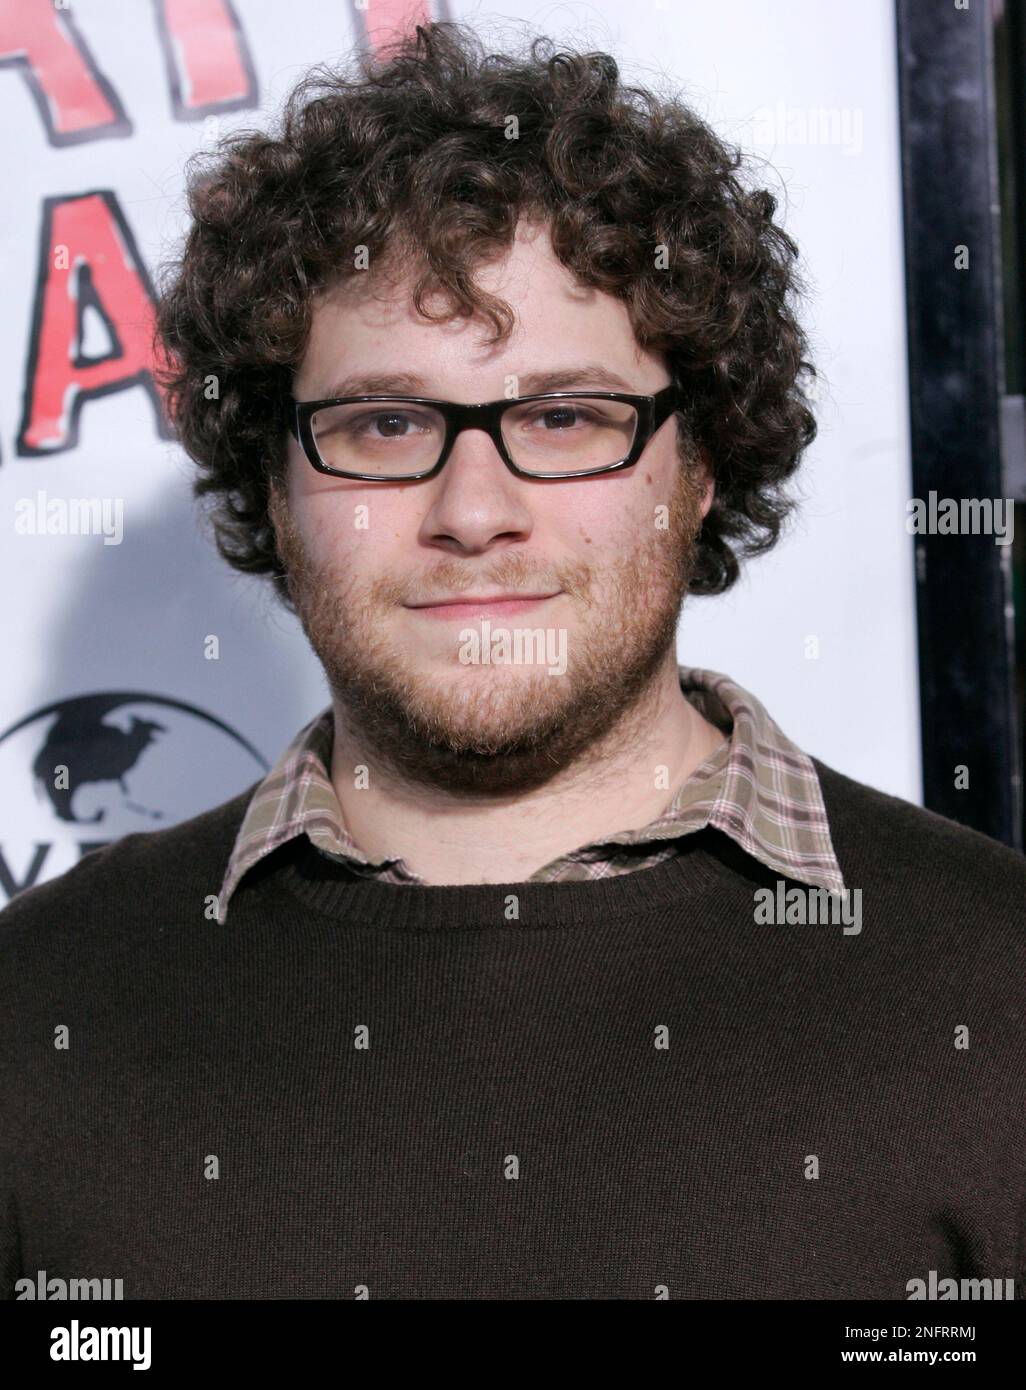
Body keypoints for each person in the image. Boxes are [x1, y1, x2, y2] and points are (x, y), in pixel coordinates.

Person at [1, 21, 1023, 1302]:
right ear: (274, 480)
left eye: (563, 417)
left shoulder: (997, 986)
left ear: (700, 463)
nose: (474, 507)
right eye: (384, 423)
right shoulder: (37, 1010)